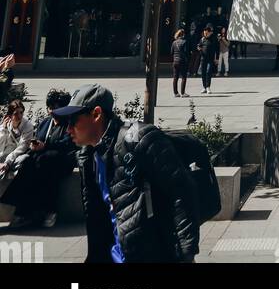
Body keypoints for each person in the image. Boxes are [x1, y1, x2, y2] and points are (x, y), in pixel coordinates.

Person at [53, 84, 199, 264]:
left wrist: (187, 253)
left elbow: (180, 190)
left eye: (72, 121)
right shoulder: (88, 155)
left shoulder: (139, 138)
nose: (68, 129)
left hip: (150, 255)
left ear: (96, 114)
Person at [3, 88, 76, 229]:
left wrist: (45, 145)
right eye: (50, 108)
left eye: (56, 108)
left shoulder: (69, 123)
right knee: (29, 162)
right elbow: (39, 140)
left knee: (44, 161)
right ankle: (23, 210)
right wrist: (35, 145)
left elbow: (68, 143)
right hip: (42, 159)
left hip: (63, 159)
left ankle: (49, 210)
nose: (51, 111)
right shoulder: (46, 122)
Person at [0, 98, 34, 200]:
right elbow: (1, 145)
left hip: (16, 156)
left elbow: (22, 147)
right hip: (4, 154)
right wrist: (3, 129)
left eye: (21, 112)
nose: (19, 116)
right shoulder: (6, 124)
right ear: (10, 115)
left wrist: (7, 162)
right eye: (15, 113)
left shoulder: (27, 126)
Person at [197, 26, 218, 95]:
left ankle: (208, 87)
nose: (205, 34)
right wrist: (199, 48)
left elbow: (216, 49)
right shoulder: (202, 39)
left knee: (208, 72)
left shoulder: (213, 39)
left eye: (206, 33)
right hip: (203, 58)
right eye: (204, 33)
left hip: (210, 59)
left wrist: (216, 58)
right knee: (203, 72)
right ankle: (204, 87)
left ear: (209, 33)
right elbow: (199, 46)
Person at [170, 29, 188, 98]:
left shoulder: (174, 42)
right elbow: (186, 52)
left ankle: (176, 93)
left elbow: (171, 52)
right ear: (183, 35)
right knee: (183, 77)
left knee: (175, 77)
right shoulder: (184, 42)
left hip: (175, 61)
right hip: (182, 61)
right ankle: (183, 93)